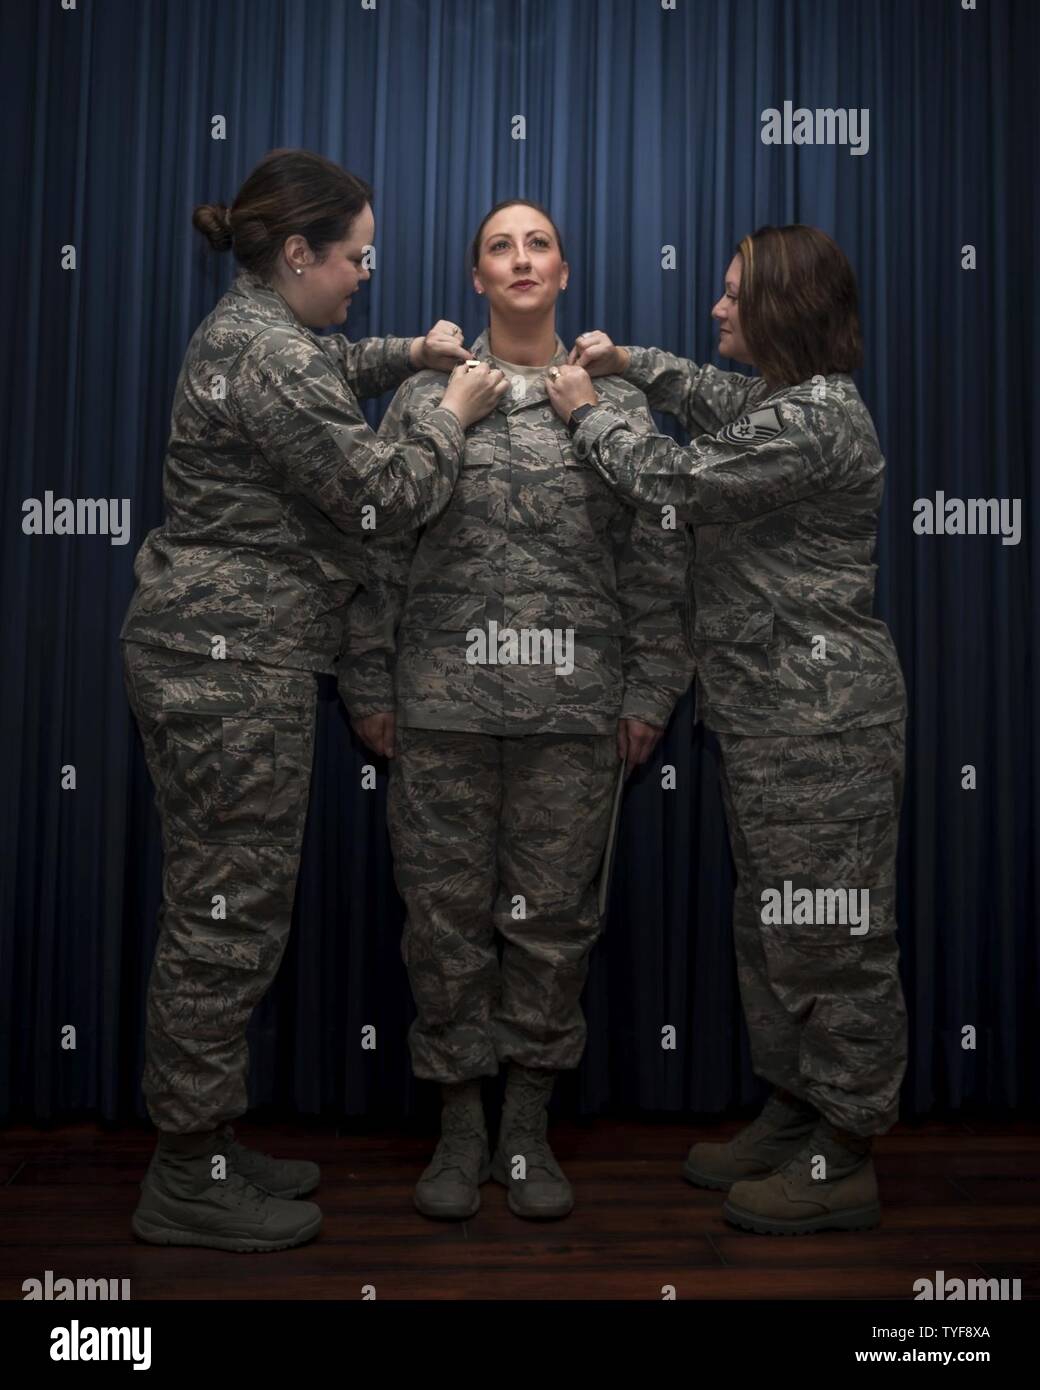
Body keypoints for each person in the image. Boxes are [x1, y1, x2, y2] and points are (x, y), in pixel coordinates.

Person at [120, 148, 507, 1252]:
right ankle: (185, 1172)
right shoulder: (264, 354)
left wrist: (410, 355)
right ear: (297, 254)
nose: (363, 277)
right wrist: (453, 407)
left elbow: (327, 369)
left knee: (227, 908)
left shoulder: (261, 335)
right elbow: (383, 494)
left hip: (226, 658)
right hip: (225, 669)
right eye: (354, 258)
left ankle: (204, 1138)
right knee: (223, 918)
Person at [545, 224, 908, 1235]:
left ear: (781, 309)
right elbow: (711, 400)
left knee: (829, 937)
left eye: (732, 295)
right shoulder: (781, 403)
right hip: (768, 720)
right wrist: (632, 365)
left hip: (819, 726)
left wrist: (589, 414)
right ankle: (796, 1110)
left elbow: (674, 483)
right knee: (773, 929)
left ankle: (847, 1148)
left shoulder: (815, 421)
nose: (715, 310)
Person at [341, 200, 694, 1222]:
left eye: (537, 242)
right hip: (439, 709)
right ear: (475, 277)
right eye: (500, 245)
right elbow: (376, 545)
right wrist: (368, 683)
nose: (520, 257)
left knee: (548, 930)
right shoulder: (424, 397)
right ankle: (458, 1126)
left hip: (572, 717)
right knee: (444, 926)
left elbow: (658, 558)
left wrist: (646, 691)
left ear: (565, 271)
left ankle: (526, 1126)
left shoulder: (612, 405)